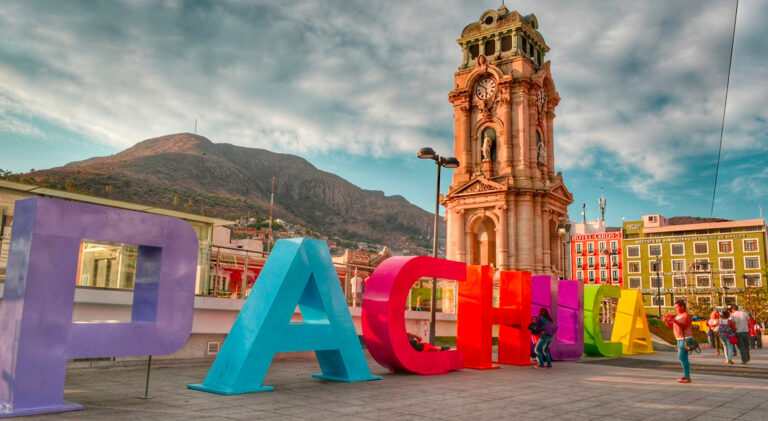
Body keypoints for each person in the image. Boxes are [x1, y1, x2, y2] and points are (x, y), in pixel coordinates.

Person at [662, 300, 693, 383]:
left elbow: (684, 325)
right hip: (679, 339)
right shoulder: (678, 316)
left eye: (677, 307)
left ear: (682, 307)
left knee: (682, 357)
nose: (676, 309)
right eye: (675, 307)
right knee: (682, 357)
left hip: (685, 338)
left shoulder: (686, 315)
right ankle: (686, 375)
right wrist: (666, 321)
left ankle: (687, 376)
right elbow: (672, 326)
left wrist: (674, 320)